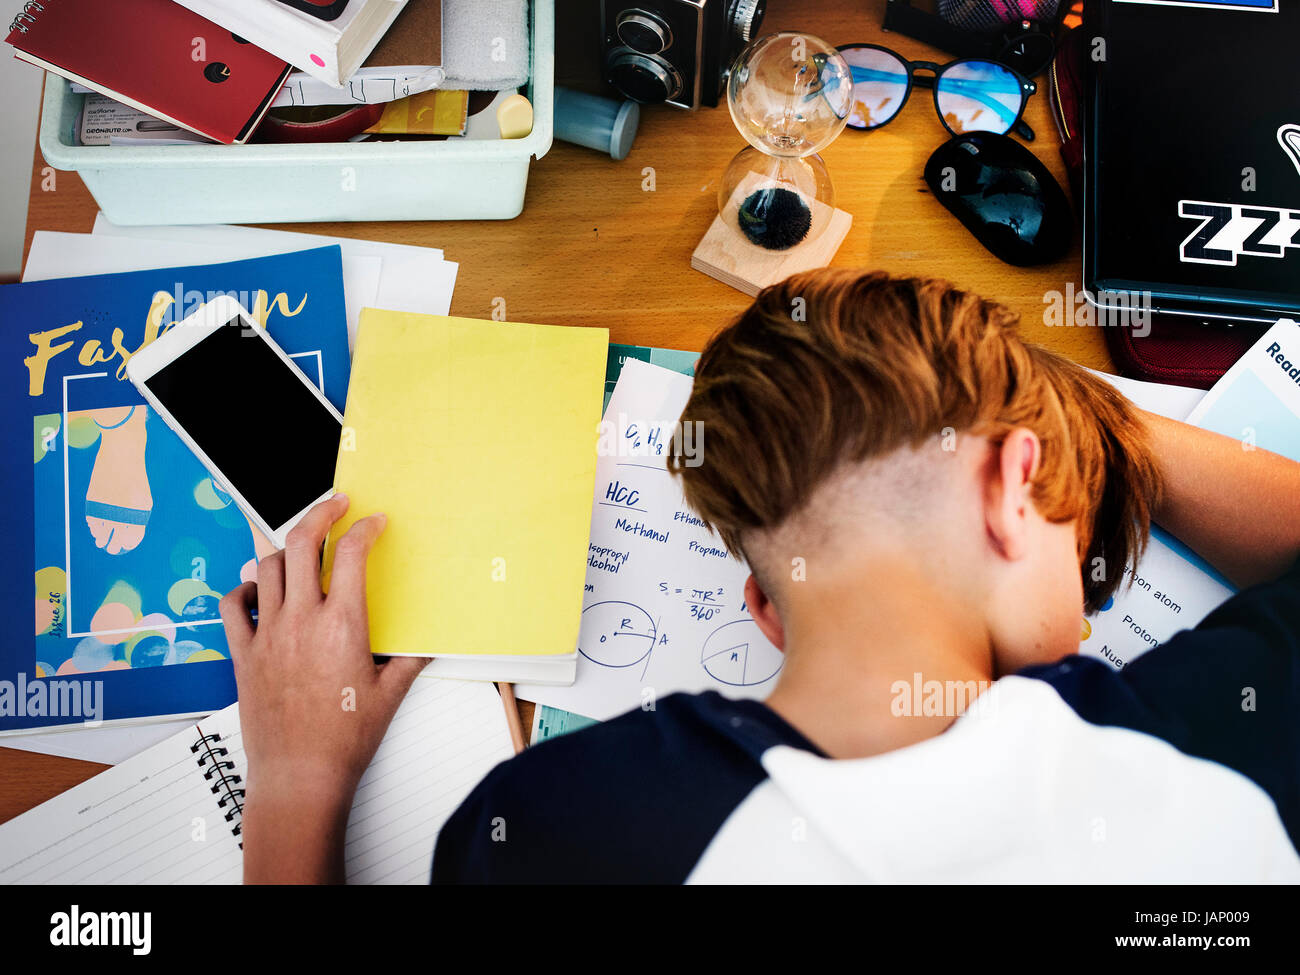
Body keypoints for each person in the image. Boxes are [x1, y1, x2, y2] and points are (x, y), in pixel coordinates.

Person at [221, 270, 1300, 884]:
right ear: (1015, 488)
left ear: (764, 608)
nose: (1099, 584)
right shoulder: (1219, 739)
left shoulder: (554, 830)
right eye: (1086, 539)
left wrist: (295, 783)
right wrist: (1070, 403)